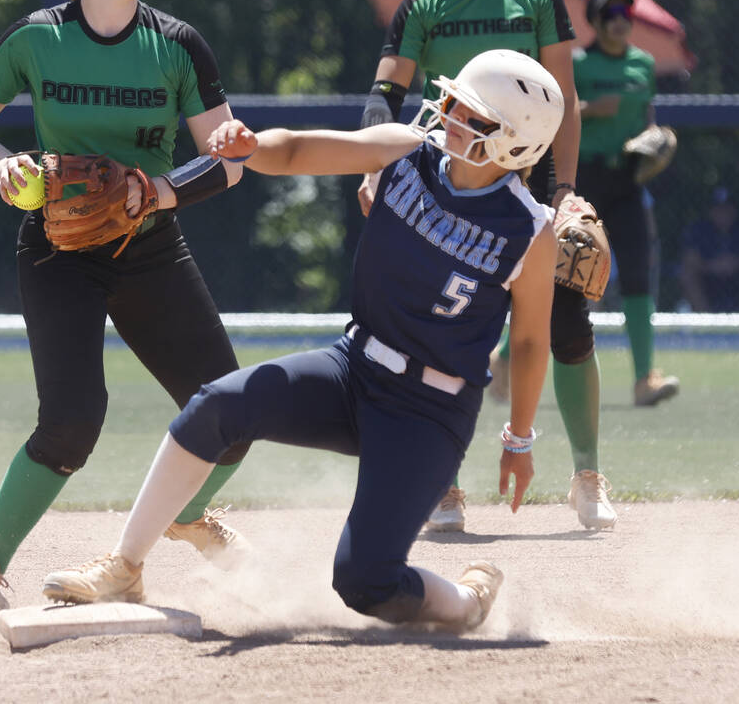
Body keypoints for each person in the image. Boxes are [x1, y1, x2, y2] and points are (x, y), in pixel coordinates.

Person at [41, 49, 561, 632]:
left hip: (429, 411)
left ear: (517, 144)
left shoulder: (530, 231)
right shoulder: (407, 149)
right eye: (456, 102)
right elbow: (296, 150)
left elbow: (529, 343)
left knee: (366, 582)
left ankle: (466, 602)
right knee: (215, 406)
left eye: (475, 116)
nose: (453, 117)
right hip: (354, 367)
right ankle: (125, 566)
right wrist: (251, 146)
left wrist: (518, 439)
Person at [0, 0, 254, 618]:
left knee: (232, 410)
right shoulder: (36, 38)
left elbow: (229, 157)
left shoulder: (178, 44)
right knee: (72, 420)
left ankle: (184, 513)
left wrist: (159, 193)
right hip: (59, 247)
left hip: (149, 244)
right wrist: (1, 165)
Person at [355, 0, 615, 531]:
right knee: (437, 334)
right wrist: (371, 162)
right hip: (447, 186)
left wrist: (564, 191)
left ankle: (586, 474)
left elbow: (564, 102)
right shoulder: (423, 1)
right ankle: (440, 485)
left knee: (565, 325)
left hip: (522, 185)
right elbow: (387, 93)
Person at [573, 0, 680, 407]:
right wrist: (588, 109)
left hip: (627, 181)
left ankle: (644, 380)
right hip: (585, 178)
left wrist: (657, 141)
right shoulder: (578, 63)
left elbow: (647, 118)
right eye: (611, 13)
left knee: (638, 274)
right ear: (596, 23)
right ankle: (510, 358)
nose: (621, 19)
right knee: (565, 279)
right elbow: (556, 112)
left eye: (625, 13)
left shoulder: (643, 63)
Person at [680, 187, 739, 312]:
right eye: (718, 209)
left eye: (726, 209)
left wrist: (736, 263)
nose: (723, 214)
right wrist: (712, 266)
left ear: (734, 210)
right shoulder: (699, 229)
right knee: (688, 274)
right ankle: (705, 321)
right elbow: (690, 259)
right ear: (711, 211)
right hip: (709, 280)